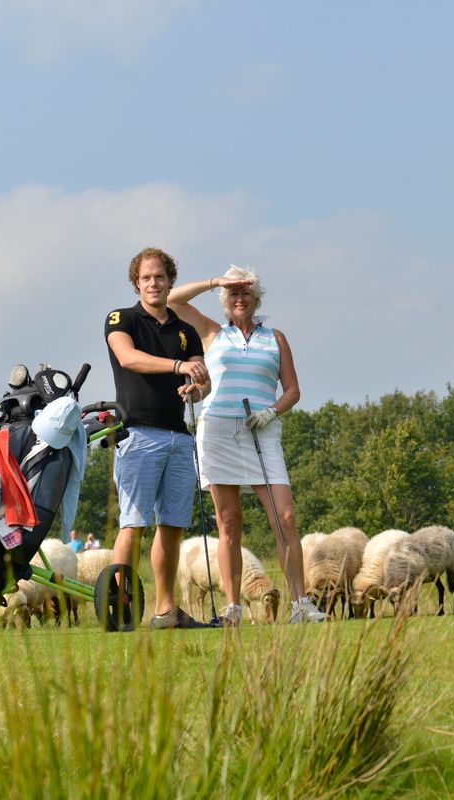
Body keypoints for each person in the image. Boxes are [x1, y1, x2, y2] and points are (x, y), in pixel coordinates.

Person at [168, 266, 326, 625]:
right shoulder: (211, 332)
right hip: (218, 431)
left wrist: (271, 412)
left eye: (246, 292)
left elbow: (293, 391)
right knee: (229, 522)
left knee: (285, 517)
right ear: (226, 300)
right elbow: (172, 300)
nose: (240, 299)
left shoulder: (275, 338)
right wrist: (216, 282)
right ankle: (233, 608)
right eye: (233, 293)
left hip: (262, 431)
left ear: (257, 299)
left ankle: (300, 604)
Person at [105, 246, 214, 629]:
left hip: (179, 438)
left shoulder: (186, 331)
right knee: (133, 524)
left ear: (170, 282)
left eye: (160, 277)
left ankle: (165, 611)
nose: (153, 283)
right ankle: (119, 610)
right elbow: (128, 358)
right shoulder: (122, 318)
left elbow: (203, 380)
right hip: (137, 433)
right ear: (136, 283)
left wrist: (196, 389)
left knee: (172, 526)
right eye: (146, 278)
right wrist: (178, 366)